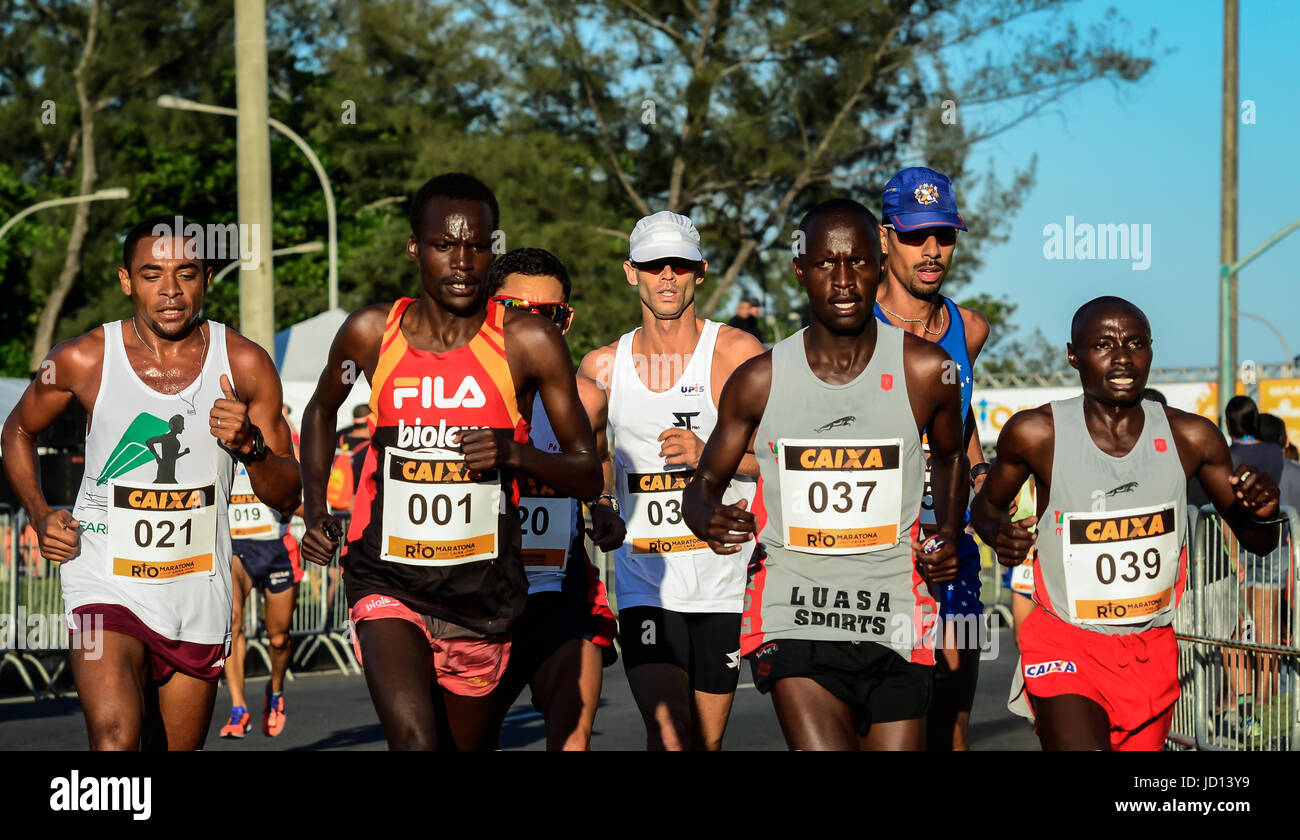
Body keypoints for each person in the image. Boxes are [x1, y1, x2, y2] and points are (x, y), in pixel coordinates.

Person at [298, 173, 602, 751]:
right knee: (415, 741)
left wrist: (515, 452)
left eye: (478, 246)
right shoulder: (370, 334)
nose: (463, 262)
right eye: (445, 245)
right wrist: (317, 510)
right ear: (416, 247)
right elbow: (319, 412)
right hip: (387, 579)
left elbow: (587, 471)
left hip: (482, 597)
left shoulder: (529, 341)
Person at [0, 215, 301, 750]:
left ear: (206, 276)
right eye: (151, 274)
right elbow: (17, 430)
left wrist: (251, 446)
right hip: (104, 581)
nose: (170, 291)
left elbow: (287, 492)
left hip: (196, 592)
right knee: (115, 740)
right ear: (125, 281)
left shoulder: (246, 363)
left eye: (185, 274)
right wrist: (41, 512)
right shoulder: (83, 358)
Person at [683, 198, 968, 751]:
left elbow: (953, 456)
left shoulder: (928, 372)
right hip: (795, 614)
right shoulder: (758, 380)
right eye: (825, 265)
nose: (843, 281)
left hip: (896, 612)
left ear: (880, 266)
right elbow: (701, 490)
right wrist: (706, 519)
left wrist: (949, 533)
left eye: (858, 263)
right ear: (801, 270)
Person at [970, 295, 1281, 750]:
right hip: (1065, 645)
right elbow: (986, 507)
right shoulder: (1036, 433)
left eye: (1135, 343)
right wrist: (1000, 536)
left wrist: (1264, 513)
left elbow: (1258, 542)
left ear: (1151, 350)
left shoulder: (1191, 437)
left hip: (1149, 651)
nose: (1121, 358)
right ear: (1074, 354)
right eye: (1103, 344)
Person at [578, 210, 765, 750]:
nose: (666, 276)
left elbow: (780, 455)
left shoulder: (736, 353)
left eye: (678, 265)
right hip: (646, 581)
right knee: (669, 735)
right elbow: (593, 462)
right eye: (653, 265)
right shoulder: (601, 367)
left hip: (724, 581)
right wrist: (603, 504)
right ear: (629, 271)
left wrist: (714, 459)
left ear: (700, 272)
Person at [482, 248, 622, 750]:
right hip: (476, 597)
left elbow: (595, 467)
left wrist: (602, 507)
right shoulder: (462, 395)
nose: (537, 328)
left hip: (562, 591)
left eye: (552, 316)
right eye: (520, 312)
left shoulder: (587, 398)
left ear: (567, 321)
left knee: (571, 737)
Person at [875, 165, 991, 751]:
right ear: (885, 236)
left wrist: (979, 472)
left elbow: (961, 418)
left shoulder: (968, 329)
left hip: (950, 542)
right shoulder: (849, 328)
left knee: (951, 725)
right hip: (875, 552)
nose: (931, 250)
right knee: (887, 725)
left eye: (943, 235)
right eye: (916, 233)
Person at [217, 460, 303, 738]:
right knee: (233, 618)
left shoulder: (277, 438)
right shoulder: (221, 440)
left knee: (278, 638)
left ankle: (275, 690)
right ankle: (238, 708)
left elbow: (302, 497)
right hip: (235, 546)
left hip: (277, 547)